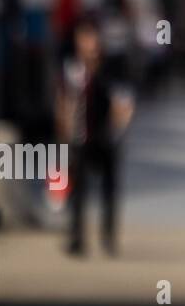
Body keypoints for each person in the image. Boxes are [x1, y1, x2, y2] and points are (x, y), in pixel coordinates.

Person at [57, 17, 134, 256]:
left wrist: (117, 129)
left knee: (109, 189)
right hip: (80, 138)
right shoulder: (71, 69)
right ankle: (76, 237)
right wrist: (65, 131)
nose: (90, 44)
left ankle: (108, 237)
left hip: (107, 138)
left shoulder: (111, 70)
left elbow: (125, 103)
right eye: (84, 38)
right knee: (77, 191)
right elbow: (63, 102)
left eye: (93, 37)